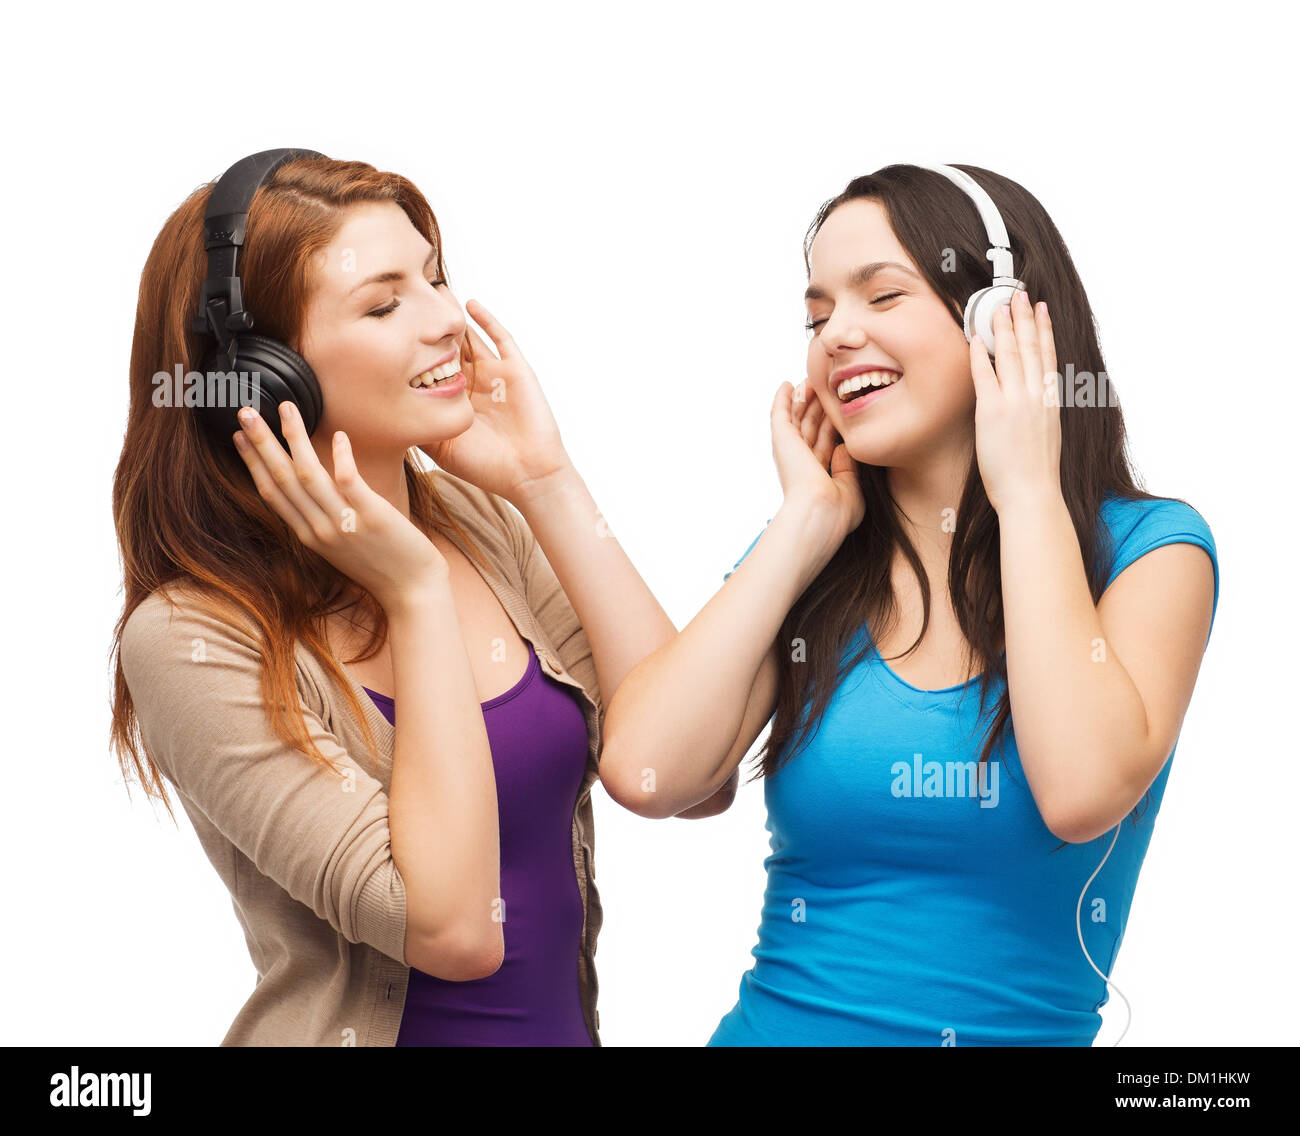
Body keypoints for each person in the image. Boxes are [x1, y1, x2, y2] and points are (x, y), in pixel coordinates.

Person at [597, 163, 1219, 1046]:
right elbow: (647, 773)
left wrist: (1029, 493)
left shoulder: (1150, 552)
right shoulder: (817, 561)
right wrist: (805, 517)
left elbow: (1080, 791)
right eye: (816, 317)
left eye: (881, 296)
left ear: (1001, 318)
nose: (836, 336)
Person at [109, 152, 720, 1046]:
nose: (448, 322)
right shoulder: (189, 638)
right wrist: (416, 596)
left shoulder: (485, 526)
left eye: (438, 279)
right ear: (264, 373)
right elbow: (456, 931)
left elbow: (688, 778)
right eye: (385, 303)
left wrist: (547, 482)